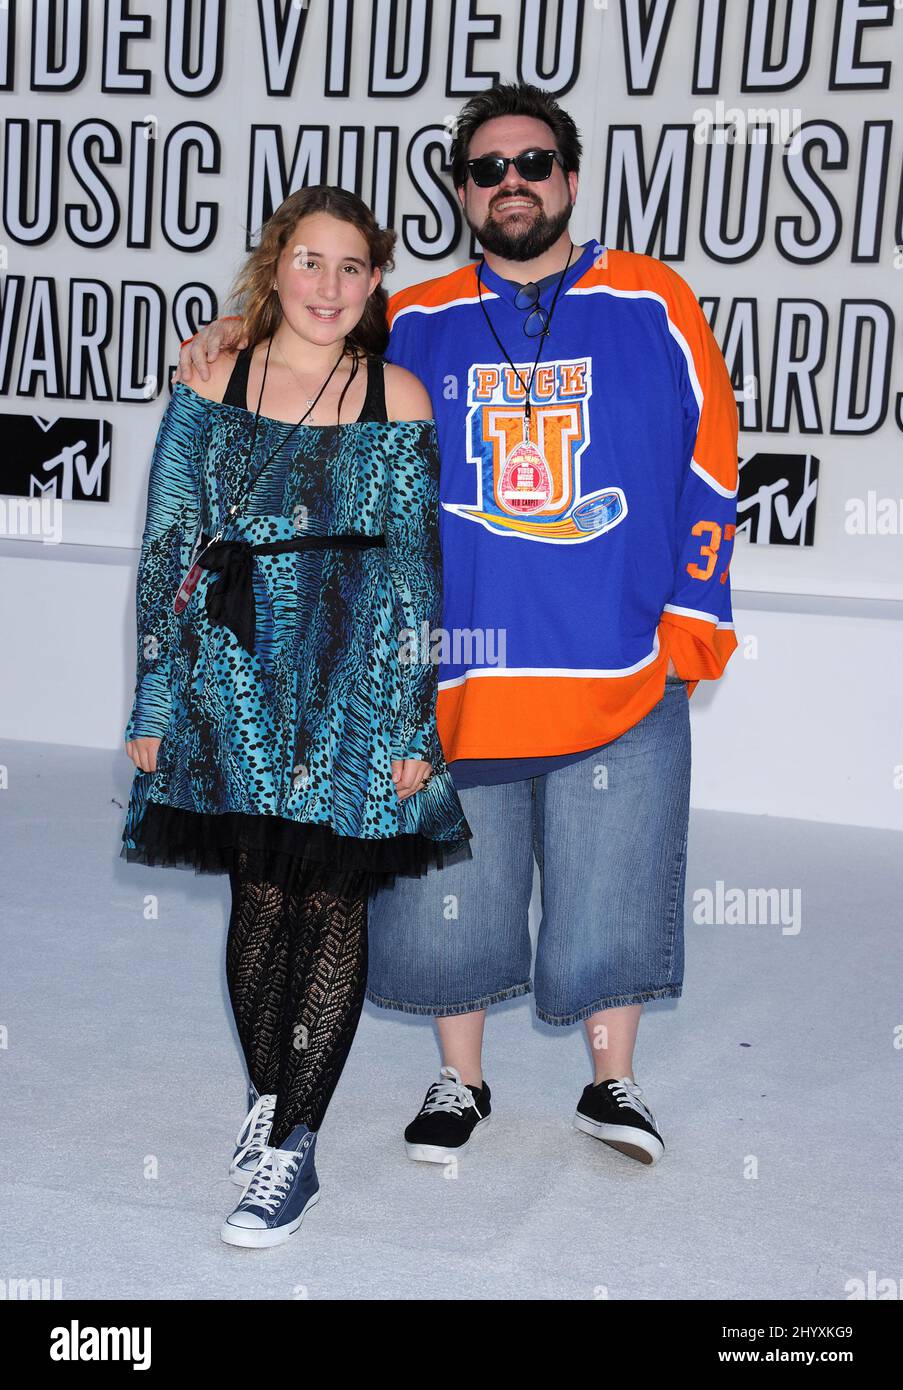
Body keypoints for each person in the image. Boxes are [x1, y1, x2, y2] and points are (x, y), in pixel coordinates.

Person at [177, 82, 739, 1170]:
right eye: (489, 169)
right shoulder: (421, 314)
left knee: (612, 878)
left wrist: (691, 619)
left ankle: (611, 1079)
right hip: (454, 665)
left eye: (534, 163)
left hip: (615, 657)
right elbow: (316, 334)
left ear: (570, 180)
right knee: (453, 900)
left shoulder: (658, 301)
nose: (512, 183)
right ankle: (461, 1078)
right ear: (464, 191)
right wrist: (237, 331)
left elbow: (711, 463)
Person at [121, 185, 472, 1247]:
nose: (329, 286)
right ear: (275, 267)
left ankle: (293, 1150)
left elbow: (419, 573)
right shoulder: (212, 379)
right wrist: (151, 694)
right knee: (261, 895)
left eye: (352, 267)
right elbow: (168, 544)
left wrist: (414, 725)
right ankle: (271, 1098)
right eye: (310, 262)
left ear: (376, 284)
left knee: (332, 897)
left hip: (356, 678)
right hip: (233, 668)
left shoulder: (398, 395)